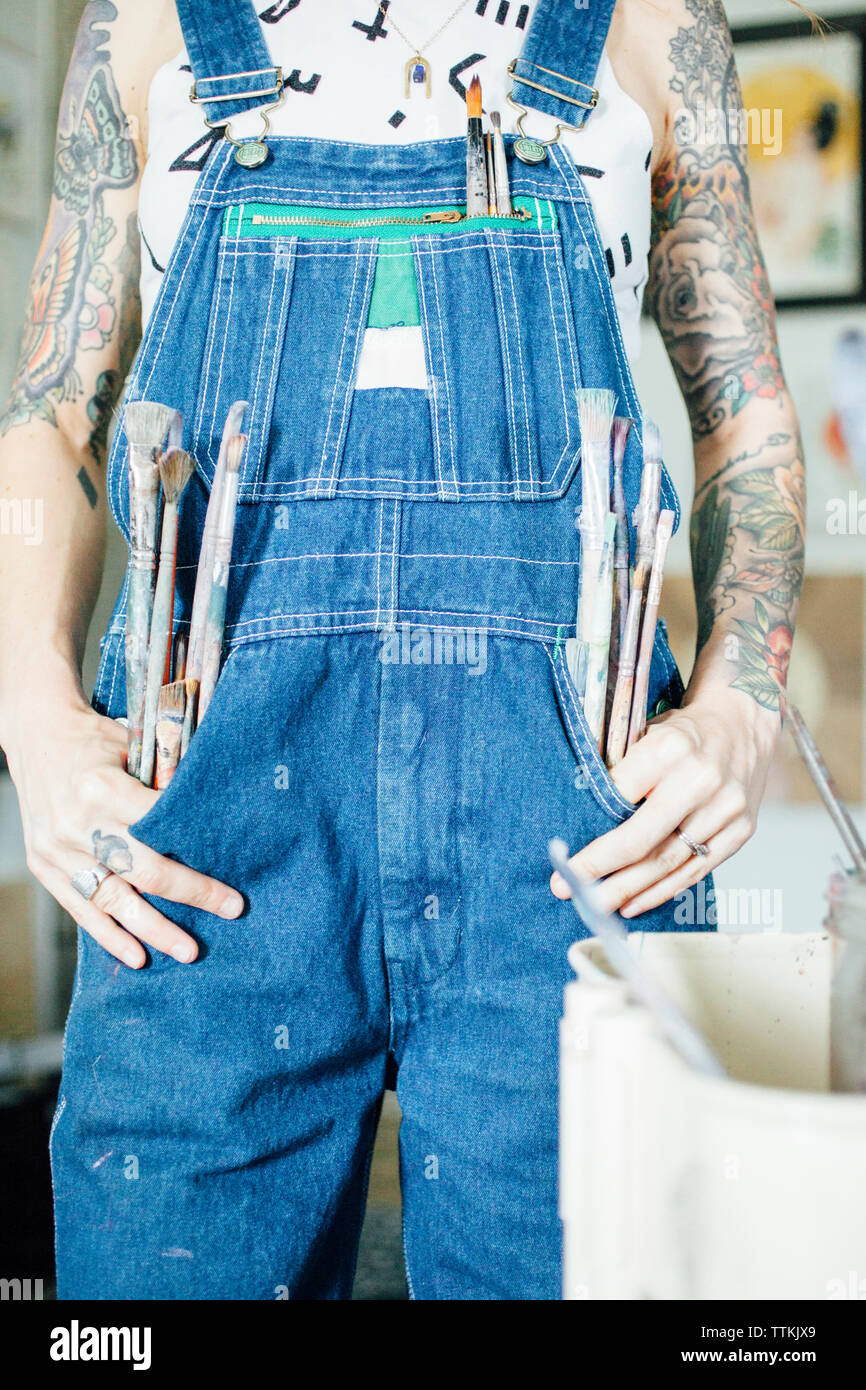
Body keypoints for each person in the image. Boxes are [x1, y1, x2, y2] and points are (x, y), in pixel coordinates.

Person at [0, 0, 807, 1300]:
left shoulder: (659, 26)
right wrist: (28, 711)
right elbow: (49, 415)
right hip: (203, 856)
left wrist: (739, 699)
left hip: (567, 851)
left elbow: (748, 418)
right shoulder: (146, 25)